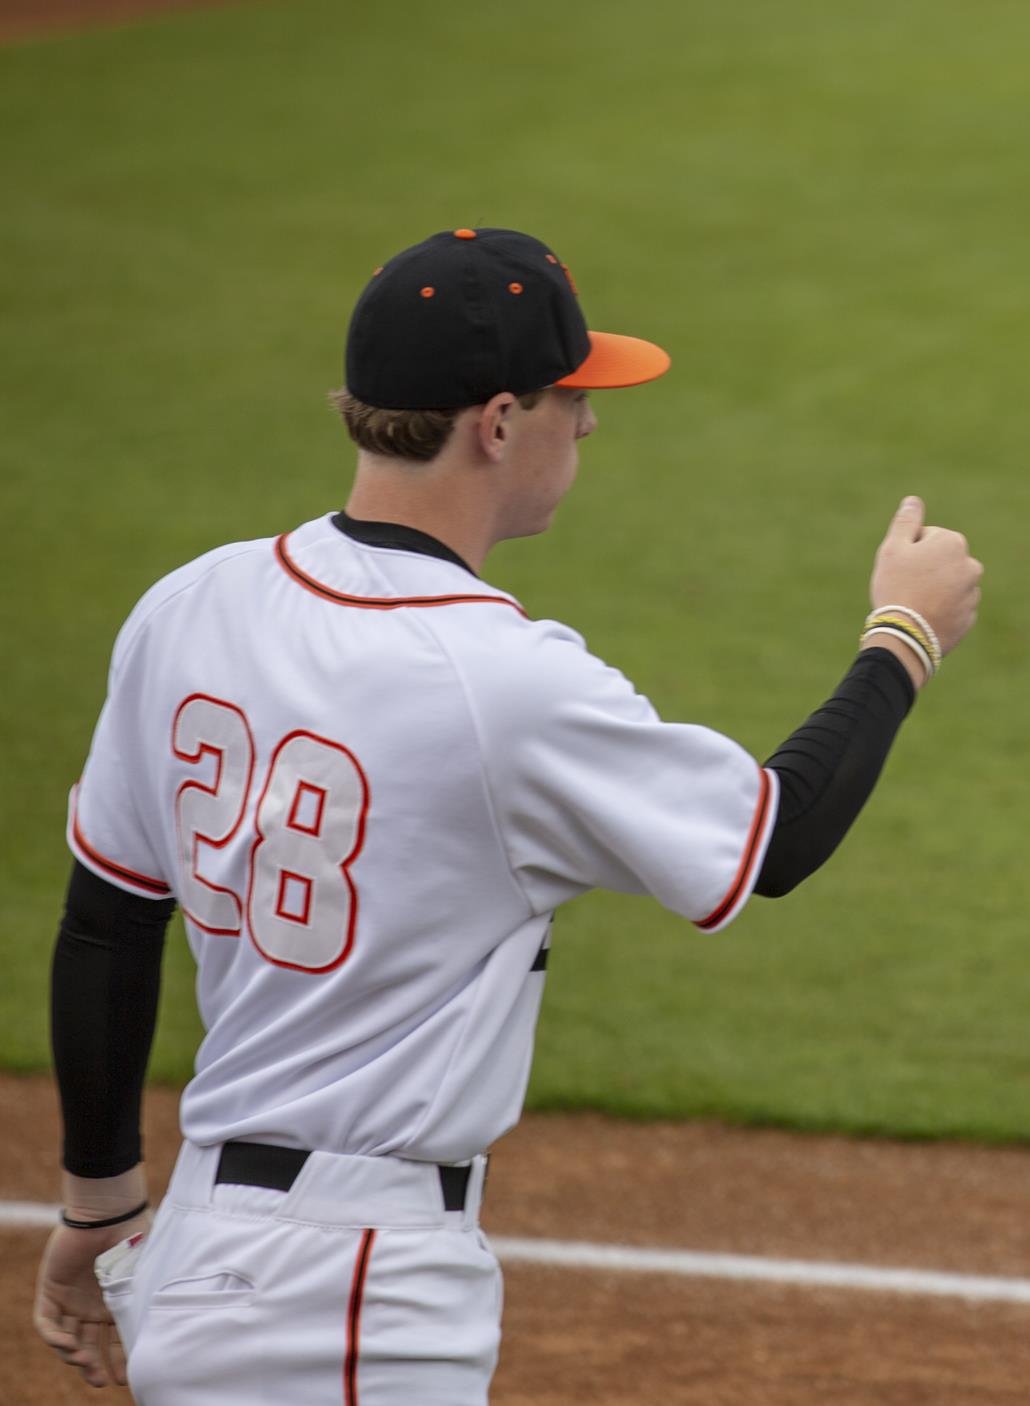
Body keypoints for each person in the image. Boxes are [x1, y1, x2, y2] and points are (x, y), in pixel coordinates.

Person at [33, 226, 981, 1401]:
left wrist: (97, 1204)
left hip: (198, 1245)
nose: (587, 425)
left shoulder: (191, 604)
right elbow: (771, 837)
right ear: (494, 422)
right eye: (569, 397)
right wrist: (904, 634)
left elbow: (109, 918)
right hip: (347, 1292)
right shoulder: (502, 679)